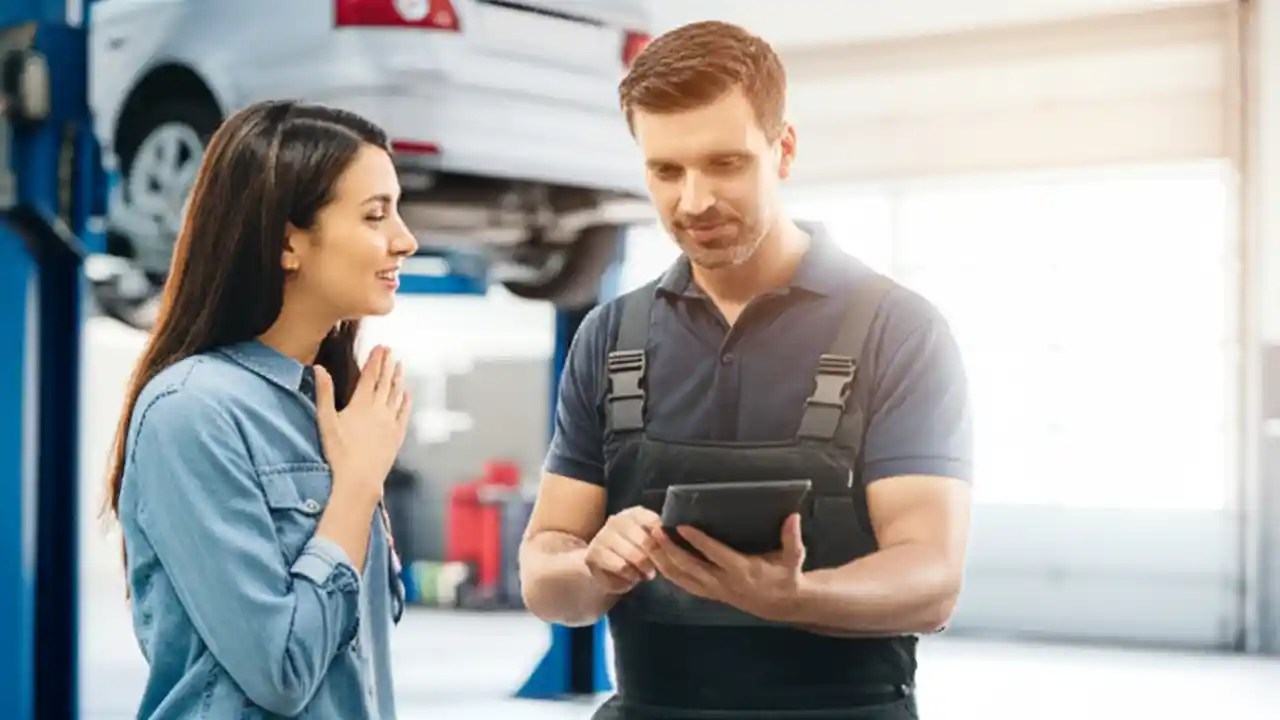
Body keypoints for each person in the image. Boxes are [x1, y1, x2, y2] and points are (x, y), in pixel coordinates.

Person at [518, 20, 974, 719]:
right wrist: (591, 566)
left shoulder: (897, 330)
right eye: (666, 171)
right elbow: (545, 580)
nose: (694, 201)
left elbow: (932, 582)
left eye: (725, 163)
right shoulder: (610, 339)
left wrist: (795, 598)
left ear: (782, 150)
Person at [104, 100, 417, 719]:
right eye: (375, 214)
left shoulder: (332, 409)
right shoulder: (192, 411)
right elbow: (281, 671)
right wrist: (356, 488)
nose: (404, 240)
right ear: (287, 242)